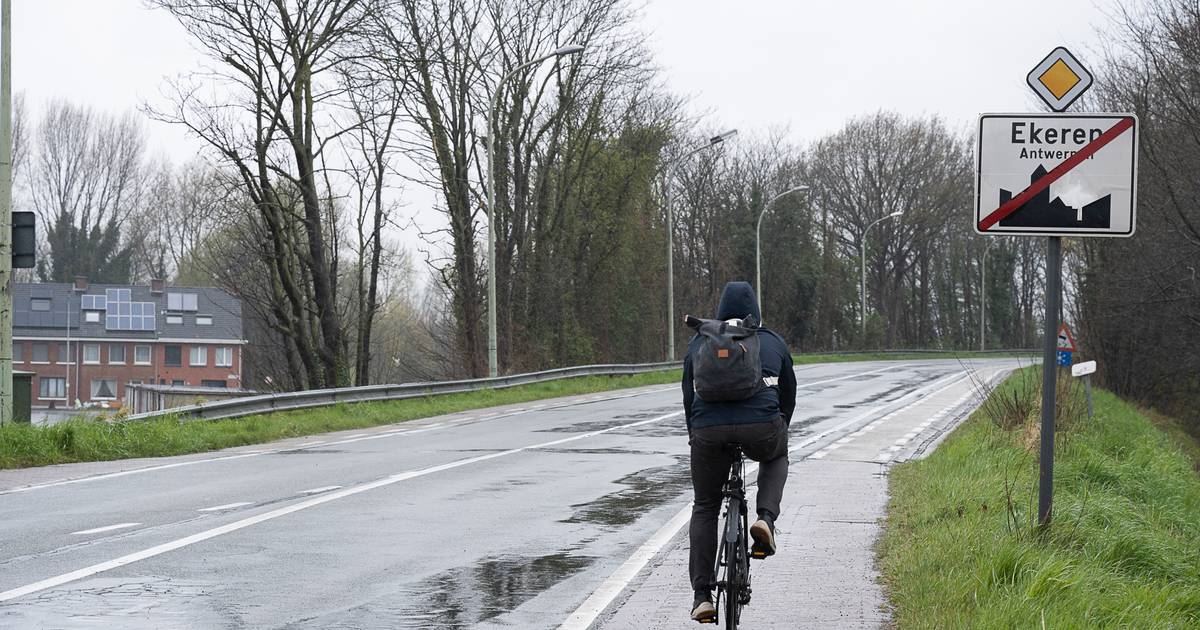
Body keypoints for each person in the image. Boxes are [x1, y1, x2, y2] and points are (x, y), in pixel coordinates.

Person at [682, 281, 796, 622]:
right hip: (761, 427)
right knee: (777, 454)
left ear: (719, 312)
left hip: (707, 432)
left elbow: (689, 396)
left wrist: (696, 436)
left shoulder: (700, 341)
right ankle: (765, 519)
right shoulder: (771, 340)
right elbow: (788, 395)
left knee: (705, 505)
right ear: (754, 313)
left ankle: (702, 596)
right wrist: (780, 427)